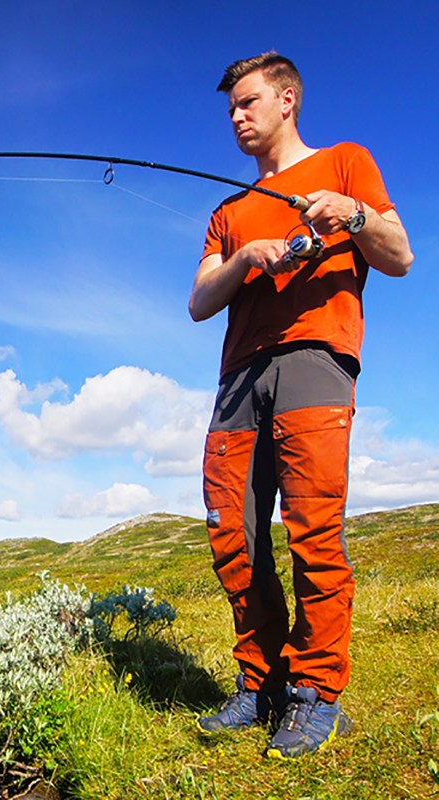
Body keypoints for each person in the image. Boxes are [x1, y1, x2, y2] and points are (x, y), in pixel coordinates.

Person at [188, 52, 413, 760]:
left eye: (248, 102)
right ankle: (260, 684)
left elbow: (400, 255)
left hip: (317, 357)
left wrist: (352, 213)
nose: (236, 116)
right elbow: (199, 301)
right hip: (238, 376)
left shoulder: (346, 162)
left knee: (314, 529)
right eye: (230, 108)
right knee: (234, 535)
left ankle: (316, 693)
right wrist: (246, 258)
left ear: (287, 99)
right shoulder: (227, 210)